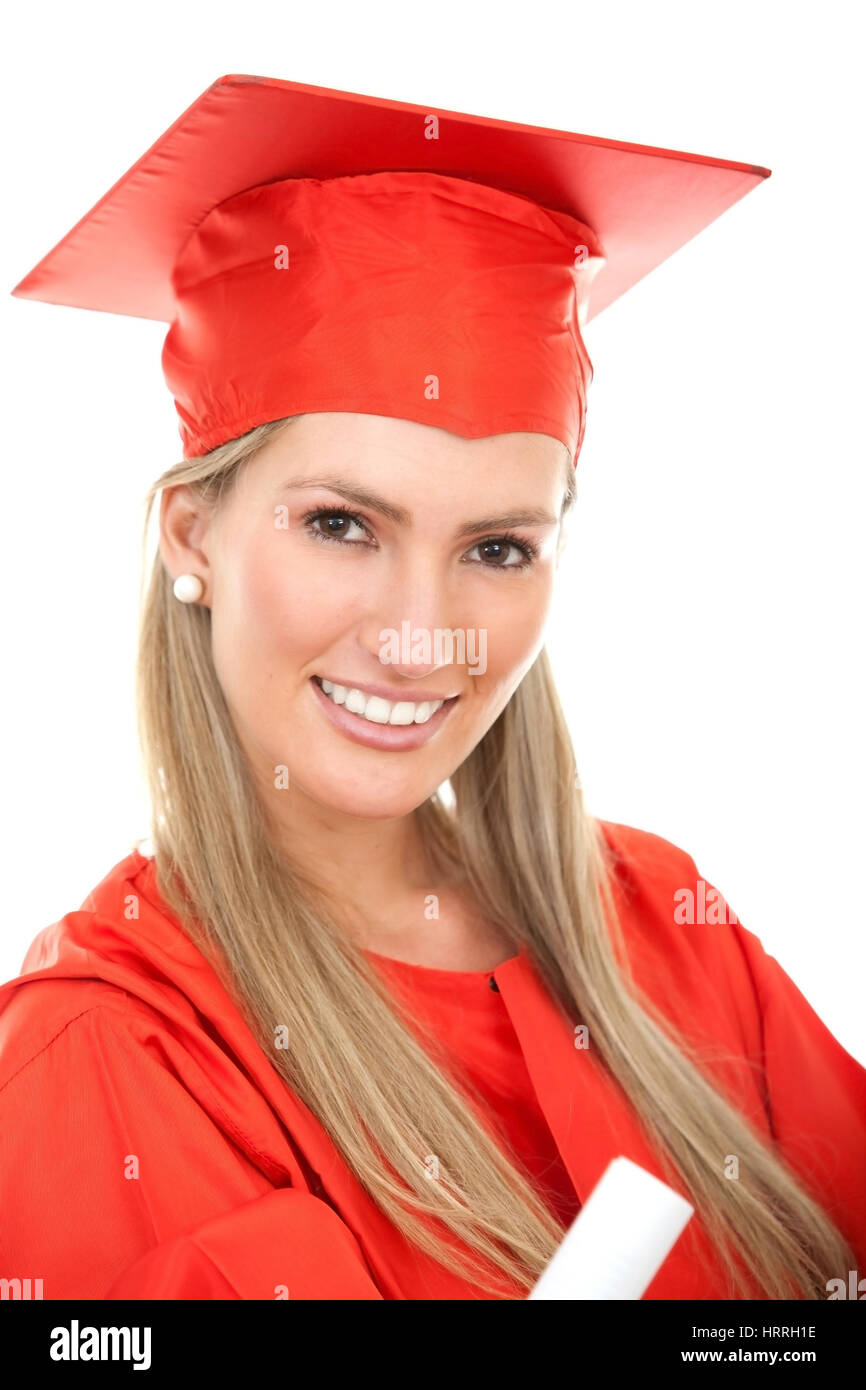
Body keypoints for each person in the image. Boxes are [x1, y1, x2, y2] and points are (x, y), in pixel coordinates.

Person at [1, 74, 863, 1302]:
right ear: (193, 536)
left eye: (496, 548)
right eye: (344, 524)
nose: (421, 637)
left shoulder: (665, 925)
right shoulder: (111, 1055)